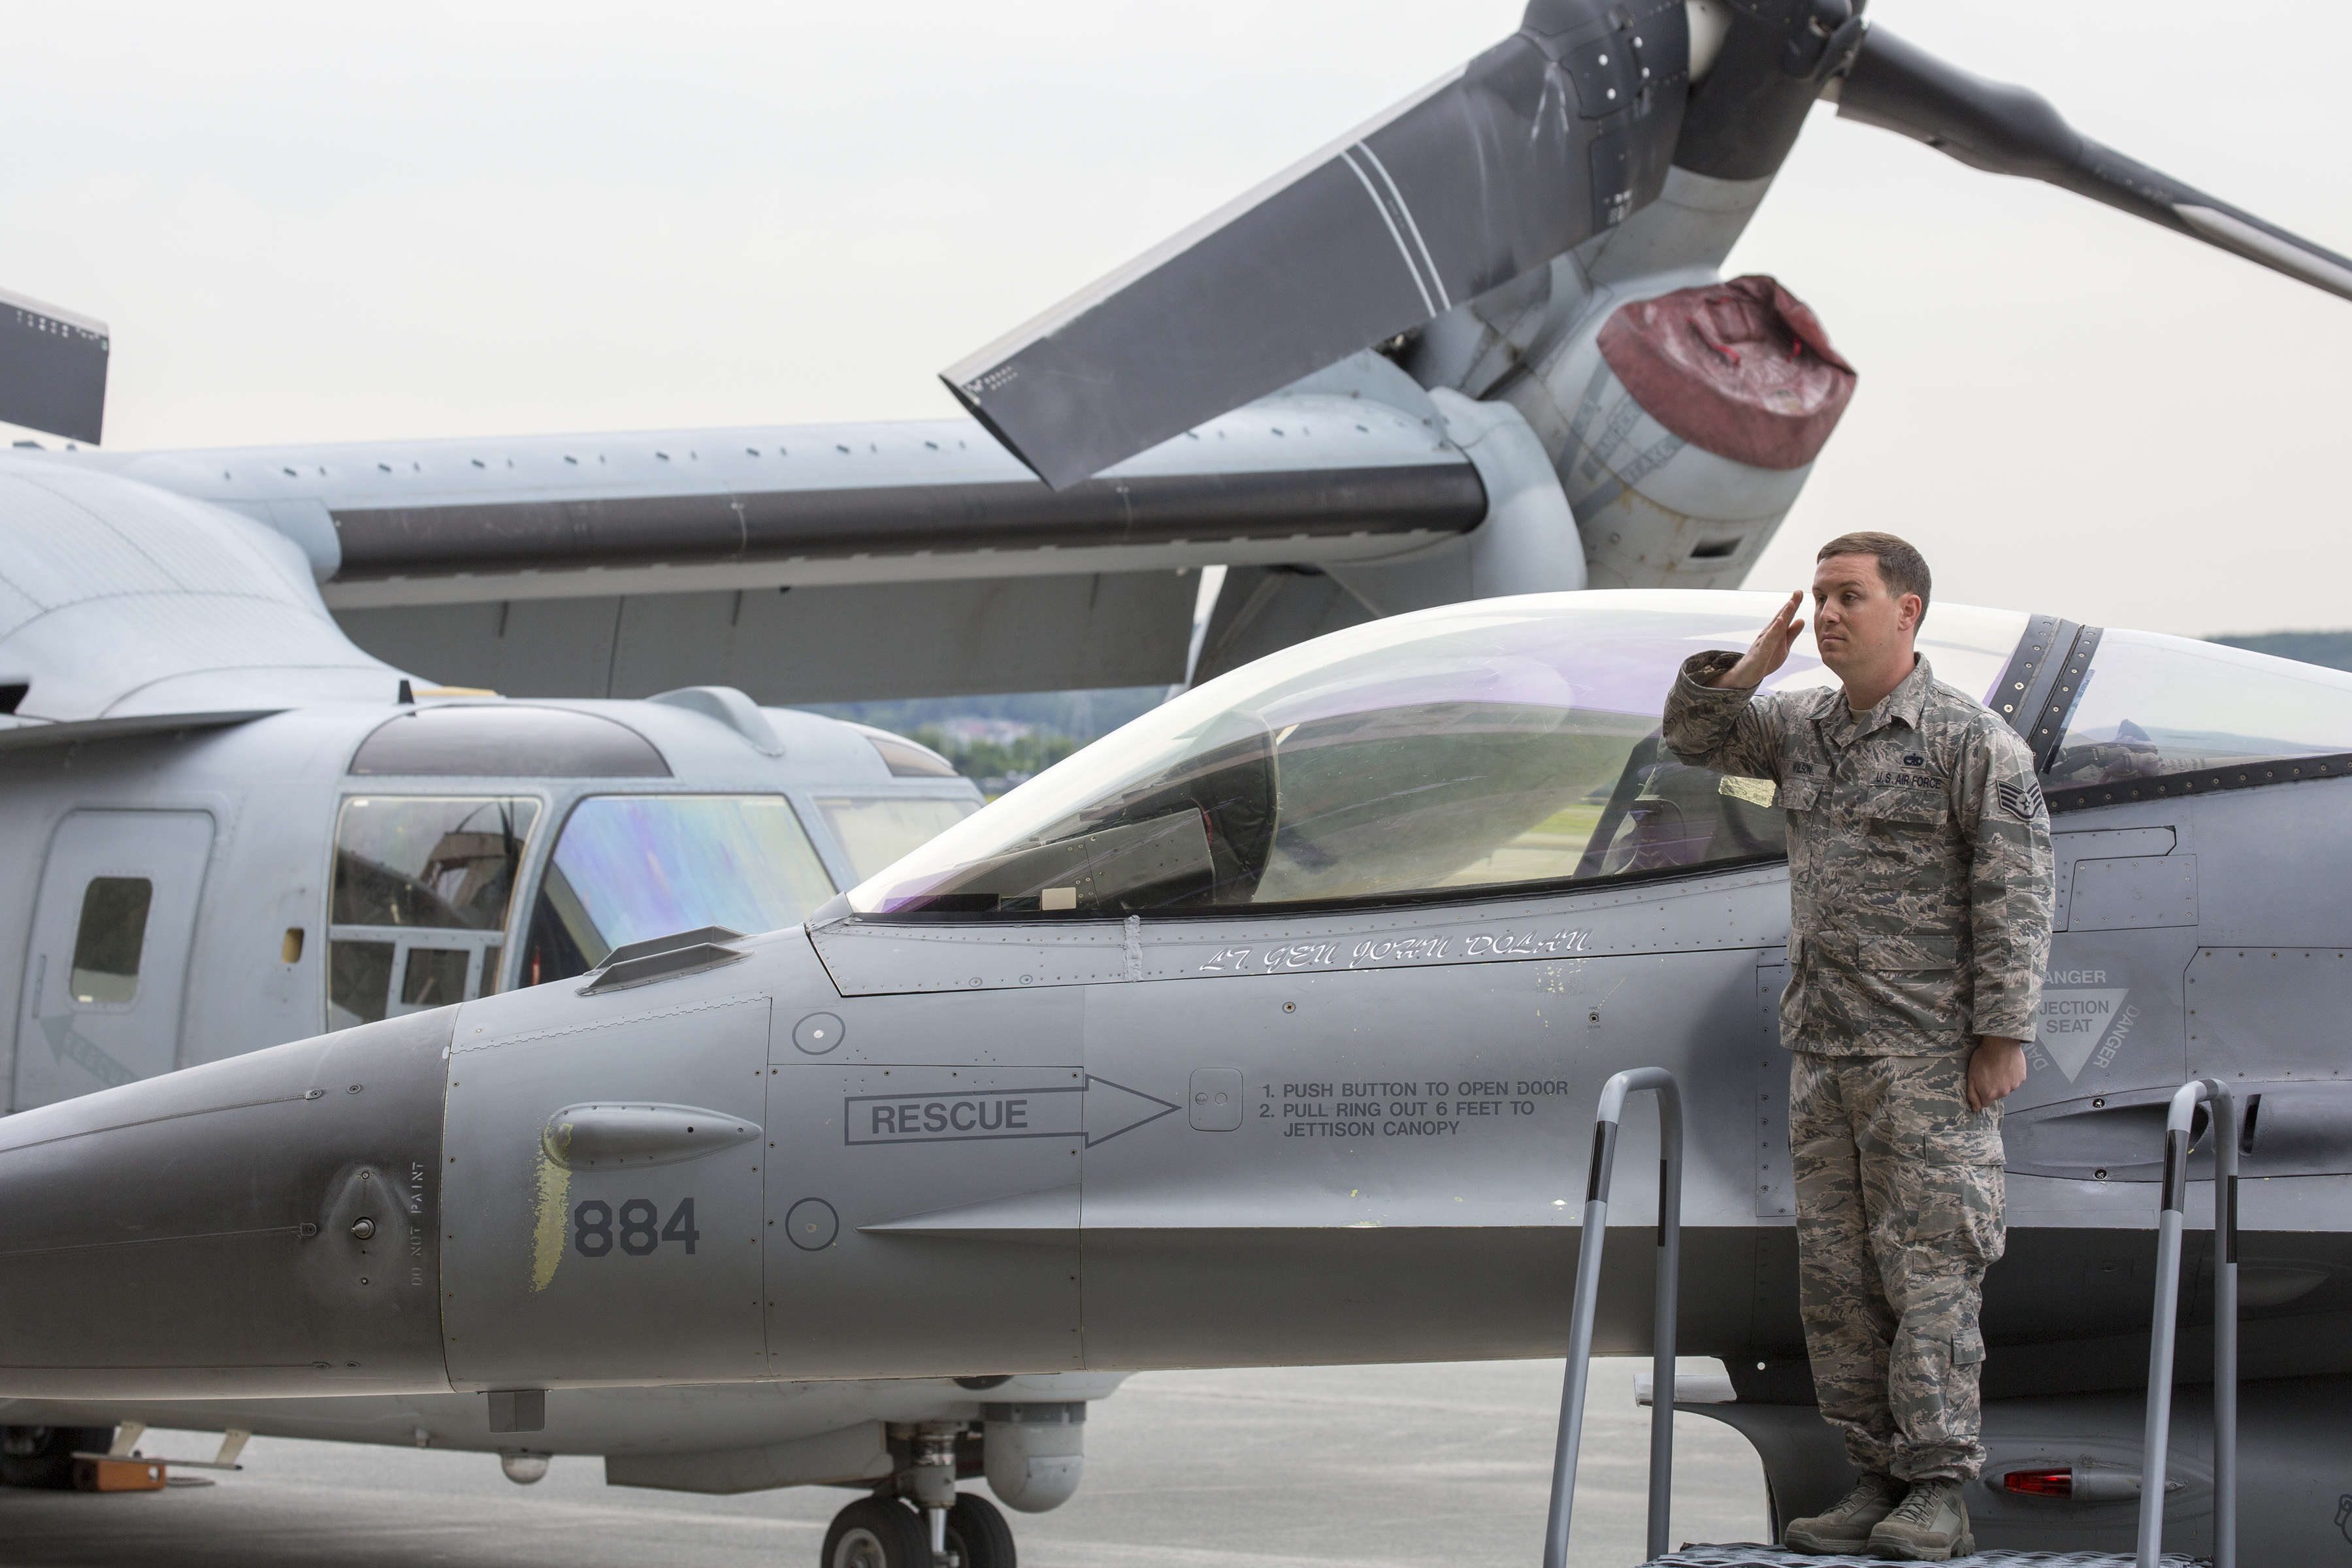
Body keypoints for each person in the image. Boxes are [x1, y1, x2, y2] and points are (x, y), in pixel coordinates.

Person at [1662, 532, 2053, 1561]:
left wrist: (2002, 1034)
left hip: (1926, 1059)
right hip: (1827, 1053)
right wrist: (1740, 674)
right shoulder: (1800, 726)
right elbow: (1695, 742)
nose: (1828, 615)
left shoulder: (1972, 743)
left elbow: (2016, 892)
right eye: (1819, 598)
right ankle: (1871, 1478)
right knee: (1837, 1283)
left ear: (1907, 611)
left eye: (1850, 598)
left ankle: (1937, 1489)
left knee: (1930, 1276)